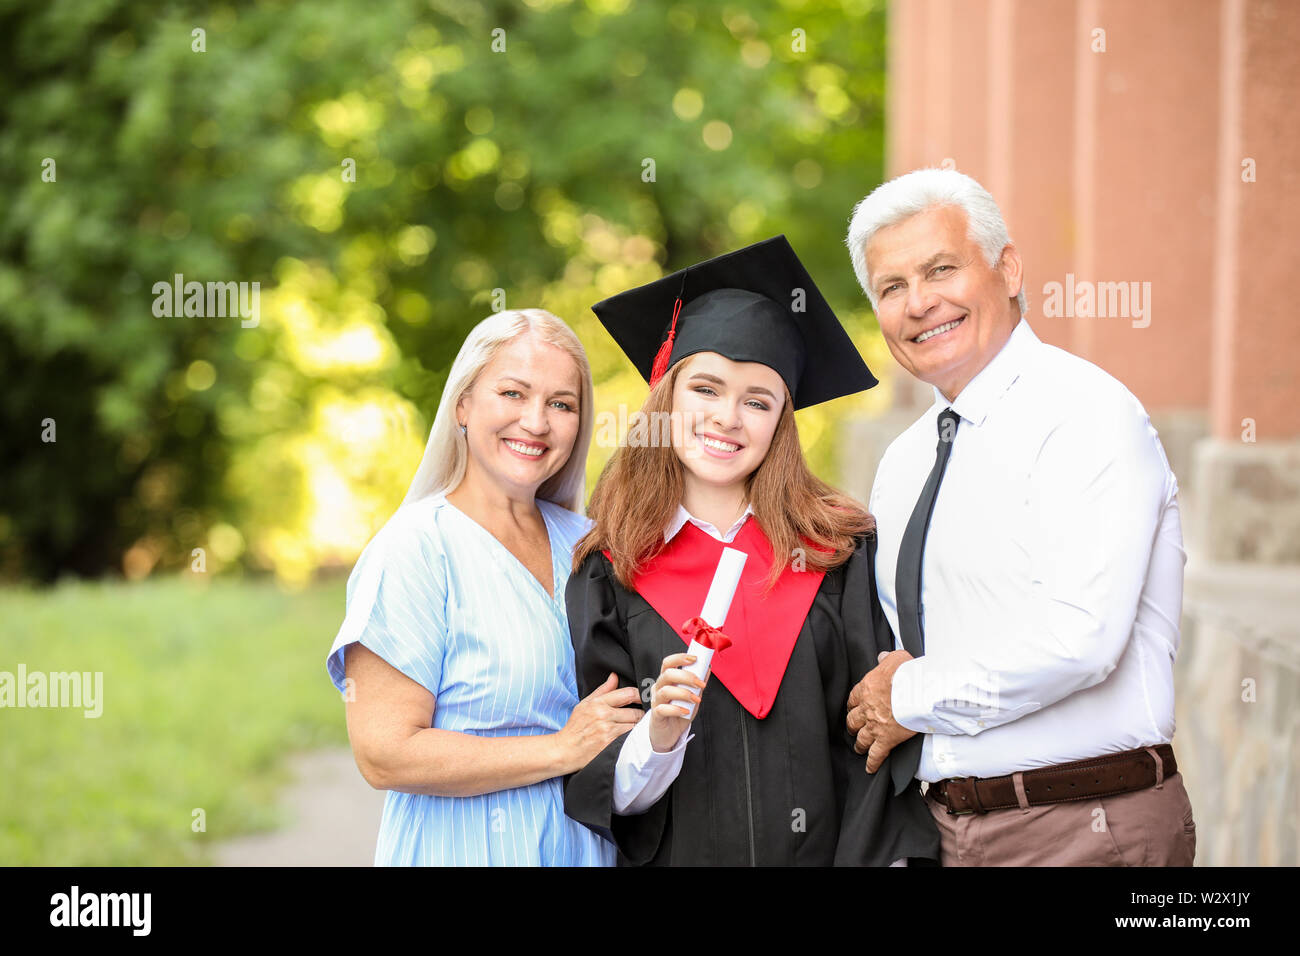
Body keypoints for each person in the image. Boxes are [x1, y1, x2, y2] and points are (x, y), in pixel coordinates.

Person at [842, 168, 1195, 866]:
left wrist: (905, 696)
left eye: (941, 269)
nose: (919, 303)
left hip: (1086, 827)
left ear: (1007, 269)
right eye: (891, 287)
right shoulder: (905, 461)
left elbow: (1081, 640)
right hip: (942, 833)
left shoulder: (1086, 414)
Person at [562, 236, 940, 866]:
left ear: (781, 421)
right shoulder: (611, 570)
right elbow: (604, 787)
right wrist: (656, 738)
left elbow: (874, 750)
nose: (728, 418)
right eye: (705, 390)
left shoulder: (836, 556)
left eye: (757, 401)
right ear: (667, 398)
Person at [325, 308, 642, 866]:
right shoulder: (415, 550)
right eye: (513, 394)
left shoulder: (592, 547)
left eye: (561, 404)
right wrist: (560, 748)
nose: (536, 422)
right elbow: (384, 754)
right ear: (464, 405)